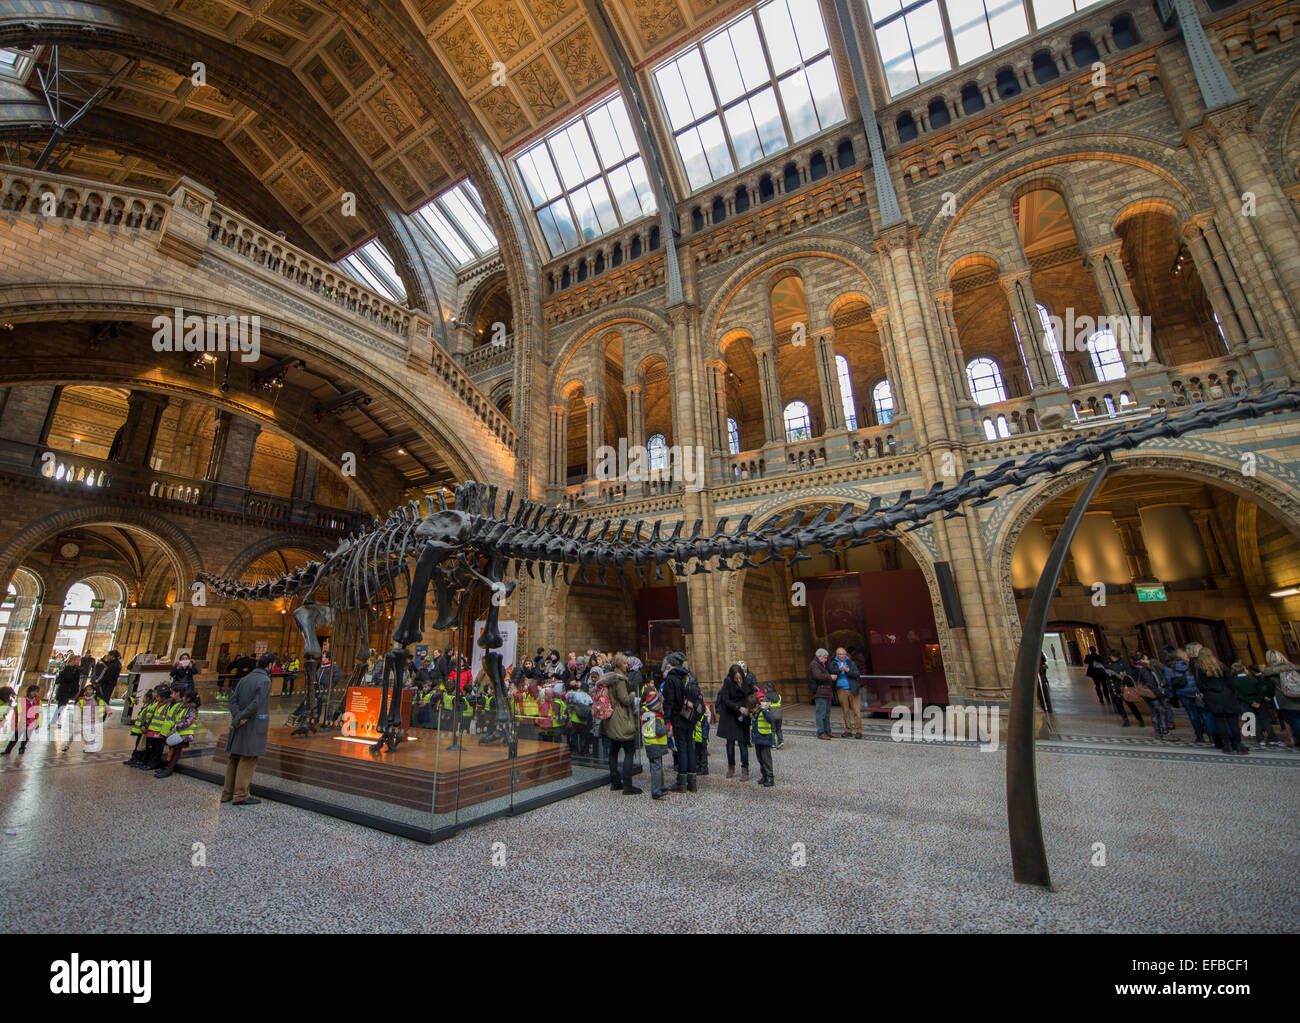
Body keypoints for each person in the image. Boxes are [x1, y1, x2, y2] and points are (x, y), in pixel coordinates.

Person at [222, 653, 274, 805]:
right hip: (252, 723)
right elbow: (257, 703)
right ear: (270, 665)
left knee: (234, 757)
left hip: (240, 722)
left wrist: (237, 717)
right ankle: (241, 795)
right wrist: (241, 718)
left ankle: (227, 793)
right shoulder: (265, 680)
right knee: (248, 757)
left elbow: (232, 700)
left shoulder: (245, 679)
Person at [599, 654, 640, 794]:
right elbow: (624, 699)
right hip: (620, 718)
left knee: (614, 751)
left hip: (611, 718)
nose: (627, 665)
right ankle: (627, 785)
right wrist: (633, 696)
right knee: (629, 750)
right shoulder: (620, 679)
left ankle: (615, 782)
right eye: (624, 663)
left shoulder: (608, 677)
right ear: (618, 664)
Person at [660, 652, 699, 793]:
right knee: (690, 747)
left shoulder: (672, 678)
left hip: (678, 717)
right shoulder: (689, 675)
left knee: (681, 748)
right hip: (690, 717)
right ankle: (692, 782)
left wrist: (667, 720)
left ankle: (681, 783)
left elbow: (668, 702)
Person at [1197, 649, 1247, 755]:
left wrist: (1207, 692)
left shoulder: (1200, 668)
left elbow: (1200, 685)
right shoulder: (1221, 665)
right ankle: (1238, 744)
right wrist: (1230, 692)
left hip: (1212, 696)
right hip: (1226, 694)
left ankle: (1227, 744)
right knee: (1232, 721)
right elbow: (1230, 681)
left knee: (1220, 721)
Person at [717, 663, 754, 779]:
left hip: (742, 717)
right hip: (730, 715)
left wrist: (749, 707)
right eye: (736, 678)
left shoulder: (746, 681)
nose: (738, 680)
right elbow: (725, 700)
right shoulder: (728, 683)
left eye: (740, 677)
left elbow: (751, 695)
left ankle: (745, 770)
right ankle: (731, 767)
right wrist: (739, 708)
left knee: (743, 743)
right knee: (730, 744)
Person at [1232, 662, 1282, 747]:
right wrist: (1258, 701)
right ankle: (1273, 738)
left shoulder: (1234, 682)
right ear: (1245, 670)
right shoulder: (1253, 679)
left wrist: (1250, 702)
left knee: (1253, 721)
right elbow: (1261, 690)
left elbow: (1238, 694)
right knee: (1265, 720)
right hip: (1259, 701)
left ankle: (1260, 739)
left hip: (1246, 703)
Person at [1260, 649, 1300, 747]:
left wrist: (1267, 696)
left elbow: (1269, 689)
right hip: (1298, 694)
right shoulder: (1293, 667)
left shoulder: (1270, 673)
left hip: (1284, 699)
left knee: (1292, 719)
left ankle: (1295, 740)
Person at [1166, 648, 1207, 742]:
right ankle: (1212, 735)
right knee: (1203, 713)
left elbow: (1170, 682)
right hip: (1195, 691)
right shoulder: (1192, 664)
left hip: (1183, 692)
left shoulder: (1171, 667)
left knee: (1192, 714)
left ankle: (1199, 736)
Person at [156, 691, 200, 778]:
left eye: (184, 697)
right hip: (178, 734)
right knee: (173, 751)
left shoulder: (192, 710)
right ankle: (167, 767)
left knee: (176, 753)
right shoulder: (184, 708)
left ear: (188, 699)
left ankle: (169, 770)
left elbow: (187, 722)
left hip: (184, 735)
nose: (182, 699)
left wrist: (176, 727)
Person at [1133, 653, 1173, 740]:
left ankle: (1159, 731)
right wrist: (1159, 693)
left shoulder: (1147, 668)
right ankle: (1164, 731)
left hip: (1153, 693)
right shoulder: (1143, 670)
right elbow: (1150, 684)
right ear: (1141, 661)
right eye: (1146, 659)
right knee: (1160, 710)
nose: (1148, 661)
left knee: (1156, 711)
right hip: (1151, 694)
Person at [640, 686, 670, 799]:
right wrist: (667, 727)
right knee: (657, 768)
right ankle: (656, 790)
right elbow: (659, 732)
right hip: (656, 744)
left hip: (649, 745)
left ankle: (661, 786)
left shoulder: (646, 714)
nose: (661, 705)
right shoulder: (655, 717)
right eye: (659, 704)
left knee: (656, 767)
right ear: (655, 706)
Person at [2, 685, 40, 755]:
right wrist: (15, 724)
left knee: (26, 738)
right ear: (29, 692)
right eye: (33, 691)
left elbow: (37, 712)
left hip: (31, 723)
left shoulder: (37, 701)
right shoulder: (22, 700)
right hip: (21, 723)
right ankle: (7, 751)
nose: (35, 693)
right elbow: (17, 713)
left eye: (37, 692)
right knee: (15, 738)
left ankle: (22, 749)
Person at [832, 646, 861, 738]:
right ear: (837, 655)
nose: (842, 656)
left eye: (843, 654)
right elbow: (832, 672)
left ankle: (858, 731)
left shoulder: (851, 663)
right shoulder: (833, 663)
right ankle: (848, 730)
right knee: (845, 711)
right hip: (841, 690)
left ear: (846, 654)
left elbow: (857, 674)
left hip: (852, 689)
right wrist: (839, 670)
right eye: (840, 654)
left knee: (856, 711)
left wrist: (848, 671)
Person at [752, 685, 777, 787]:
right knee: (760, 758)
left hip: (765, 738)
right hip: (757, 738)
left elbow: (772, 719)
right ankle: (764, 775)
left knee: (766, 758)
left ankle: (770, 777)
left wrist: (763, 710)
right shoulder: (754, 712)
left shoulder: (764, 709)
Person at [809, 648, 834, 739]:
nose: (826, 659)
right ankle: (821, 732)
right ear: (819, 656)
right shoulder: (814, 665)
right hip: (820, 692)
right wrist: (829, 677)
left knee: (827, 713)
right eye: (824, 657)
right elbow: (818, 676)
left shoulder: (821, 664)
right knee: (821, 713)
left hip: (826, 692)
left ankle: (828, 731)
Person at [53, 653, 81, 736]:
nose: (78, 662)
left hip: (65, 690)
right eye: (77, 660)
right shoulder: (70, 669)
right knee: (61, 705)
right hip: (65, 690)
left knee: (61, 705)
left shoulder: (70, 669)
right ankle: (53, 722)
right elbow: (69, 679)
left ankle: (54, 721)